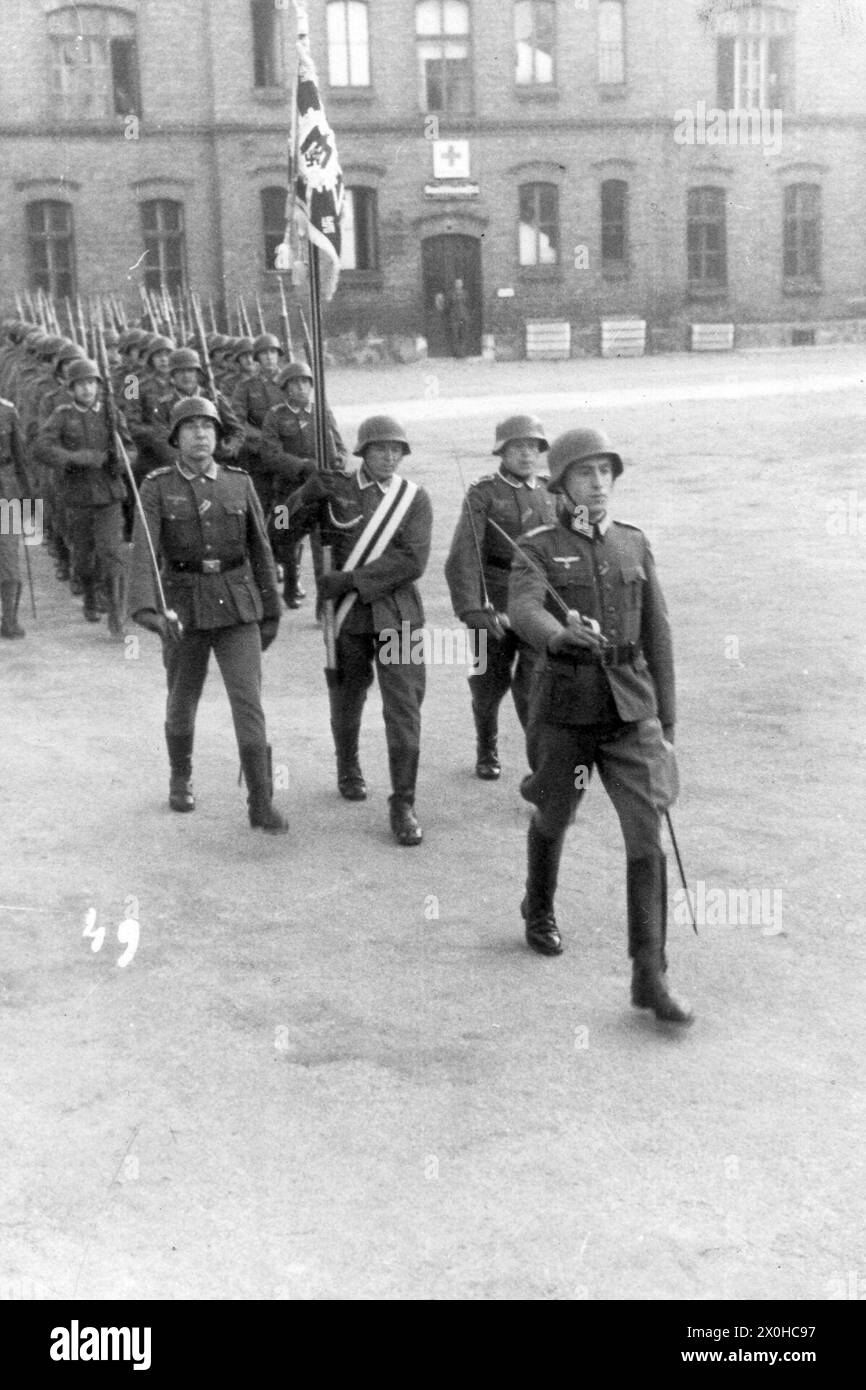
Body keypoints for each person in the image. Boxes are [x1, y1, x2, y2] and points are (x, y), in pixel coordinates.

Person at [508, 428, 693, 1025]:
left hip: (630, 712)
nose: (598, 483)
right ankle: (538, 907)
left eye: (606, 473)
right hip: (567, 709)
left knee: (647, 839)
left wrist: (665, 720)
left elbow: (658, 634)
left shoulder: (633, 544)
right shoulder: (537, 545)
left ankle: (650, 975)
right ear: (561, 486)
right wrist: (557, 635)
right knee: (555, 814)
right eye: (585, 474)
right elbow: (524, 608)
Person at [127, 396, 287, 834]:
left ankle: (261, 801)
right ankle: (180, 778)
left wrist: (270, 607)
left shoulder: (239, 482)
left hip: (237, 604)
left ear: (218, 436)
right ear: (176, 438)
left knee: (248, 701)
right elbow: (144, 551)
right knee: (182, 699)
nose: (201, 434)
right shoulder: (157, 487)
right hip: (184, 606)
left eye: (208, 427)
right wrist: (148, 612)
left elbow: (260, 548)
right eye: (191, 427)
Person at [286, 416, 431, 846]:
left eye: (396, 450)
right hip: (347, 620)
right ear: (362, 451)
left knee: (403, 709)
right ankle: (347, 765)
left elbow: (413, 560)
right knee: (346, 697)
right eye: (380, 448)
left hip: (397, 614)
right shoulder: (335, 490)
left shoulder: (414, 499)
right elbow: (279, 530)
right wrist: (304, 495)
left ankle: (403, 800)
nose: (388, 456)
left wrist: (349, 581)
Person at [445, 414, 556, 779]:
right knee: (487, 684)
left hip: (536, 605)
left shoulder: (552, 492)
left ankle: (540, 766)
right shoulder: (484, 493)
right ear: (502, 452)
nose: (527, 455)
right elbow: (465, 553)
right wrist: (471, 608)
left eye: (533, 447)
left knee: (534, 688)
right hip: (493, 601)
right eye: (518, 447)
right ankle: (487, 746)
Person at [37, 357, 131, 635]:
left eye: (91, 383)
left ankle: (116, 612)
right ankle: (90, 593)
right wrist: (76, 458)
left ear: (99, 386)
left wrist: (122, 462)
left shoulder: (112, 413)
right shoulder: (62, 415)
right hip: (77, 495)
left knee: (111, 551)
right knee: (83, 558)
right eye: (81, 385)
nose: (87, 389)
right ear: (71, 388)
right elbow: (42, 447)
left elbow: (129, 446)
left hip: (109, 494)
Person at [261, 360, 346, 608]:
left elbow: (340, 446)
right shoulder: (275, 416)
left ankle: (324, 603)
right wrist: (303, 466)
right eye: (294, 383)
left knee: (323, 548)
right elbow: (271, 454)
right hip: (286, 492)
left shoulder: (322, 412)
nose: (300, 387)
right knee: (280, 538)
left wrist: (338, 459)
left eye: (305, 382)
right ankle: (290, 583)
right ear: (285, 388)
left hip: (320, 494)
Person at [0, 395, 32, 639]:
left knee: (9, 558)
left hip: (6, 492)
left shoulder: (8, 411)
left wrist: (32, 501)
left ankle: (9, 620)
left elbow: (21, 458)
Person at [447, 277, 470, 358]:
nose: (458, 285)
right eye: (457, 283)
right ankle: (457, 353)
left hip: (464, 316)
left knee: (464, 335)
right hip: (454, 317)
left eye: (460, 283)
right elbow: (448, 305)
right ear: (455, 285)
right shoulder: (451, 294)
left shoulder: (465, 293)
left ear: (462, 284)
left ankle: (463, 353)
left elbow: (468, 304)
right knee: (455, 335)